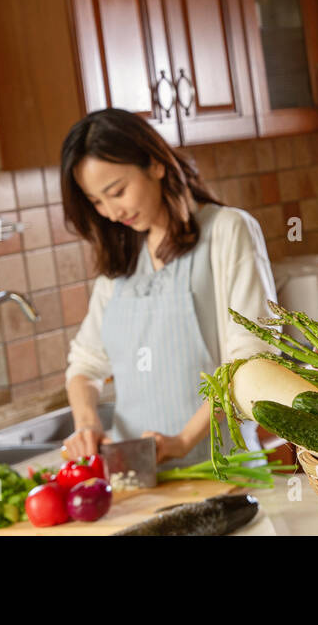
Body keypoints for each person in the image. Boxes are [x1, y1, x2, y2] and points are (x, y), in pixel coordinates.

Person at [60, 108, 280, 470]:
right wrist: (87, 423)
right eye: (97, 202)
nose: (112, 212)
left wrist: (182, 442)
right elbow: (85, 364)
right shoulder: (120, 261)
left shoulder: (227, 231)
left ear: (156, 164)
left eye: (117, 192)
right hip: (139, 482)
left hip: (224, 473)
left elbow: (249, 361)